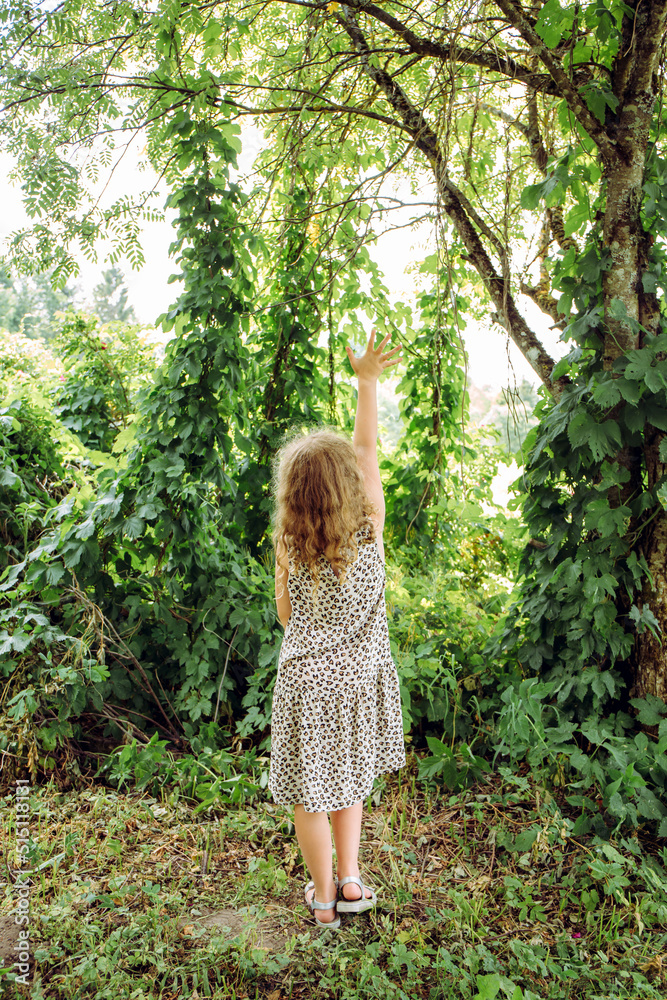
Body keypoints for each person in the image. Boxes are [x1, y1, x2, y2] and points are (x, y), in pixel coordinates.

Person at [268, 328, 407, 930]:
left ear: (292, 497)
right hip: (361, 678)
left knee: (309, 797)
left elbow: (286, 618)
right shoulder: (369, 528)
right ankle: (351, 881)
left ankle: (323, 899)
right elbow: (368, 451)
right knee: (349, 781)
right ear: (349, 488)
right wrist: (367, 381)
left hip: (308, 682)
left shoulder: (290, 547)